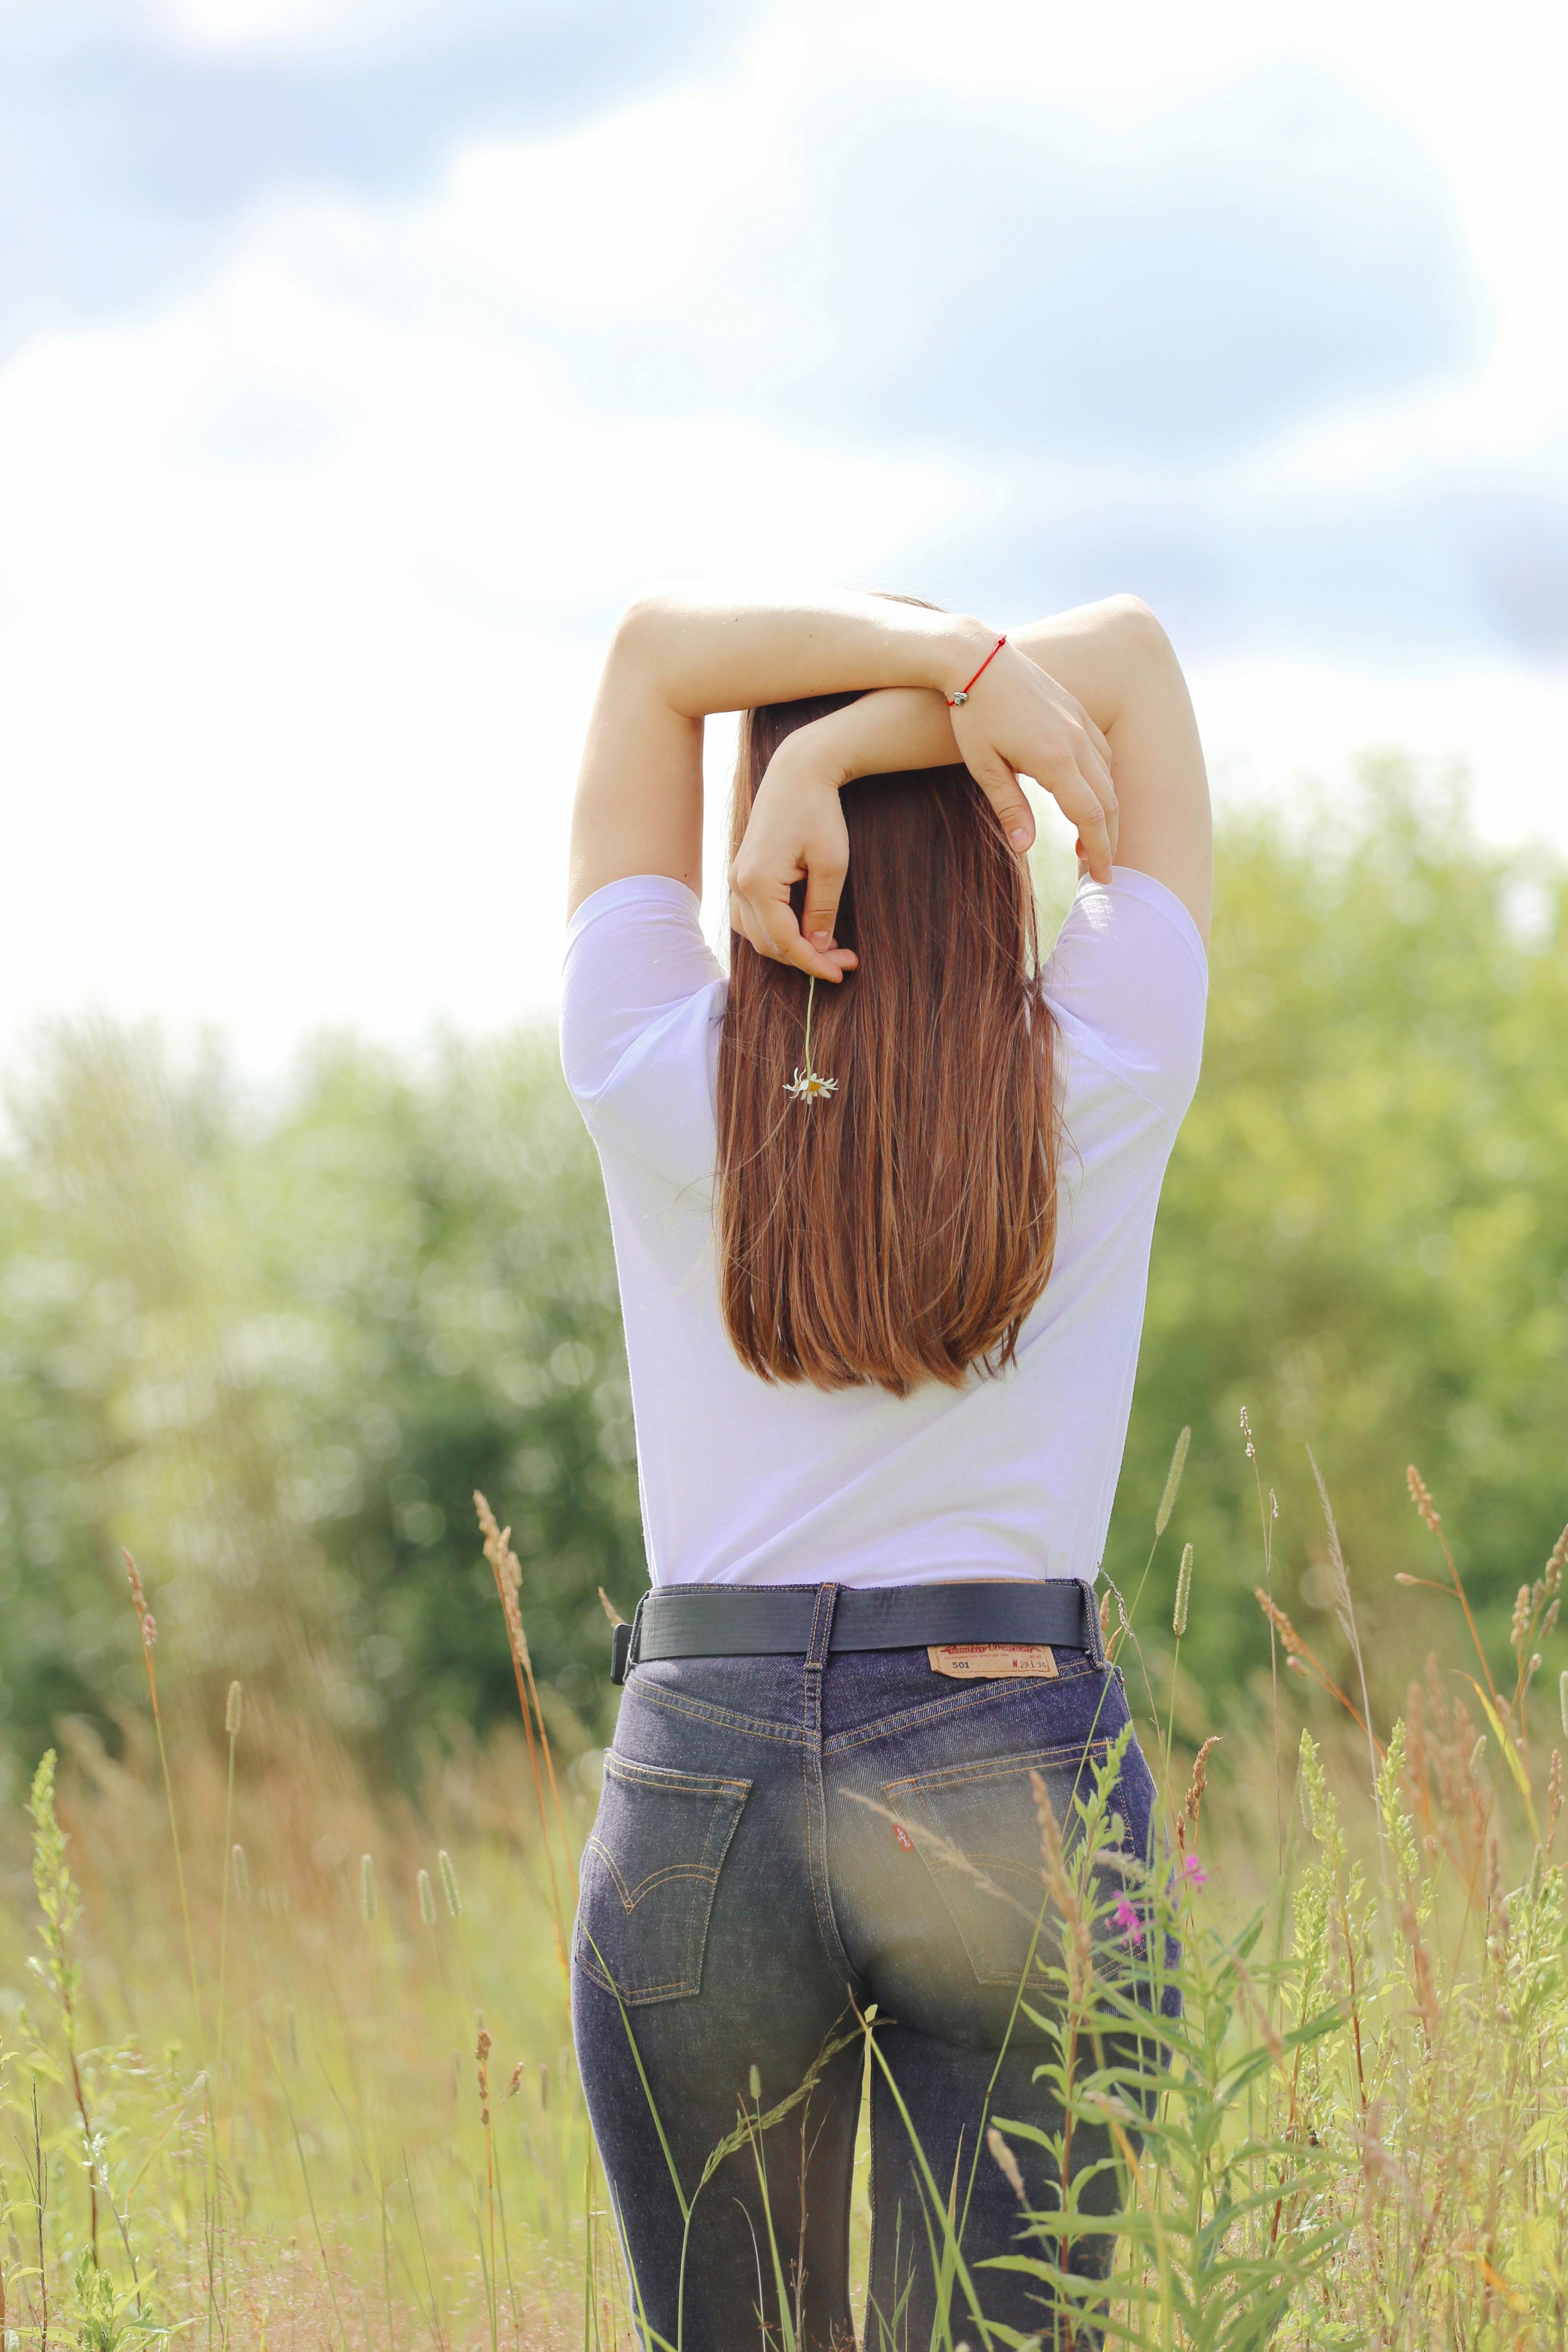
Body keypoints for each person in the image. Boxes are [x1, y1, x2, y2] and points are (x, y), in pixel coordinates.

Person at [560, 587, 1211, 2351]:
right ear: (1001, 811)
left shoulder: (644, 1062)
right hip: (1011, 1738)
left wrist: (841, 725)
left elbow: (653, 657)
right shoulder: (1116, 1049)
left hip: (709, 1771)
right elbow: (1137, 659)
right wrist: (938, 706)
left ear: (767, 828)